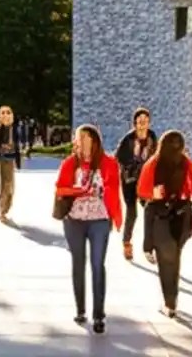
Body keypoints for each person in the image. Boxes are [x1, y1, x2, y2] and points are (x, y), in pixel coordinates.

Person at [54, 124, 122, 334]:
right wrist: (78, 190)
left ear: (94, 140)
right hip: (74, 220)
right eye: (78, 138)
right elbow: (59, 188)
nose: (81, 142)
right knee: (78, 263)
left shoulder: (108, 163)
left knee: (97, 264)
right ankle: (81, 309)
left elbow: (114, 188)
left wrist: (118, 217)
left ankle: (99, 315)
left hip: (99, 220)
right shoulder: (69, 163)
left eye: (85, 138)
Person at [137, 130, 192, 318]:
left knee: (167, 262)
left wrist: (154, 194)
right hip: (183, 217)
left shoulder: (153, 163)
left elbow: (142, 191)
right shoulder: (187, 164)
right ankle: (171, 301)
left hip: (162, 217)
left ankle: (170, 303)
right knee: (174, 257)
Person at [114, 107, 158, 262]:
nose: (142, 125)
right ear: (135, 123)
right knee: (132, 212)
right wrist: (133, 165)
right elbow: (118, 157)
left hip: (145, 181)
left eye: (145, 122)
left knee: (150, 210)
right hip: (129, 181)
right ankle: (127, 243)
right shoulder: (128, 139)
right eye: (140, 122)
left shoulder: (152, 137)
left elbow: (156, 158)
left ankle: (149, 247)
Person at [0, 105, 23, 221]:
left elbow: (16, 144)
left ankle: (4, 209)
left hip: (9, 158)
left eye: (8, 113)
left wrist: (18, 159)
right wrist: (0, 123)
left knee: (8, 185)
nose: (6, 115)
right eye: (3, 113)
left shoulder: (14, 127)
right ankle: (2, 210)